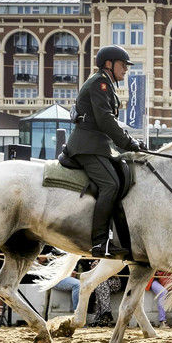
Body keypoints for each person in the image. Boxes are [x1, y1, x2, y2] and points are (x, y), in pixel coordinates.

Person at [62, 44, 142, 259]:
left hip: (99, 144)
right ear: (109, 64)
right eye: (123, 64)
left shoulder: (105, 83)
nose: (126, 69)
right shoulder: (100, 83)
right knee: (110, 184)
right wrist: (128, 142)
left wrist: (132, 143)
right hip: (88, 145)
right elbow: (105, 119)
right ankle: (100, 242)